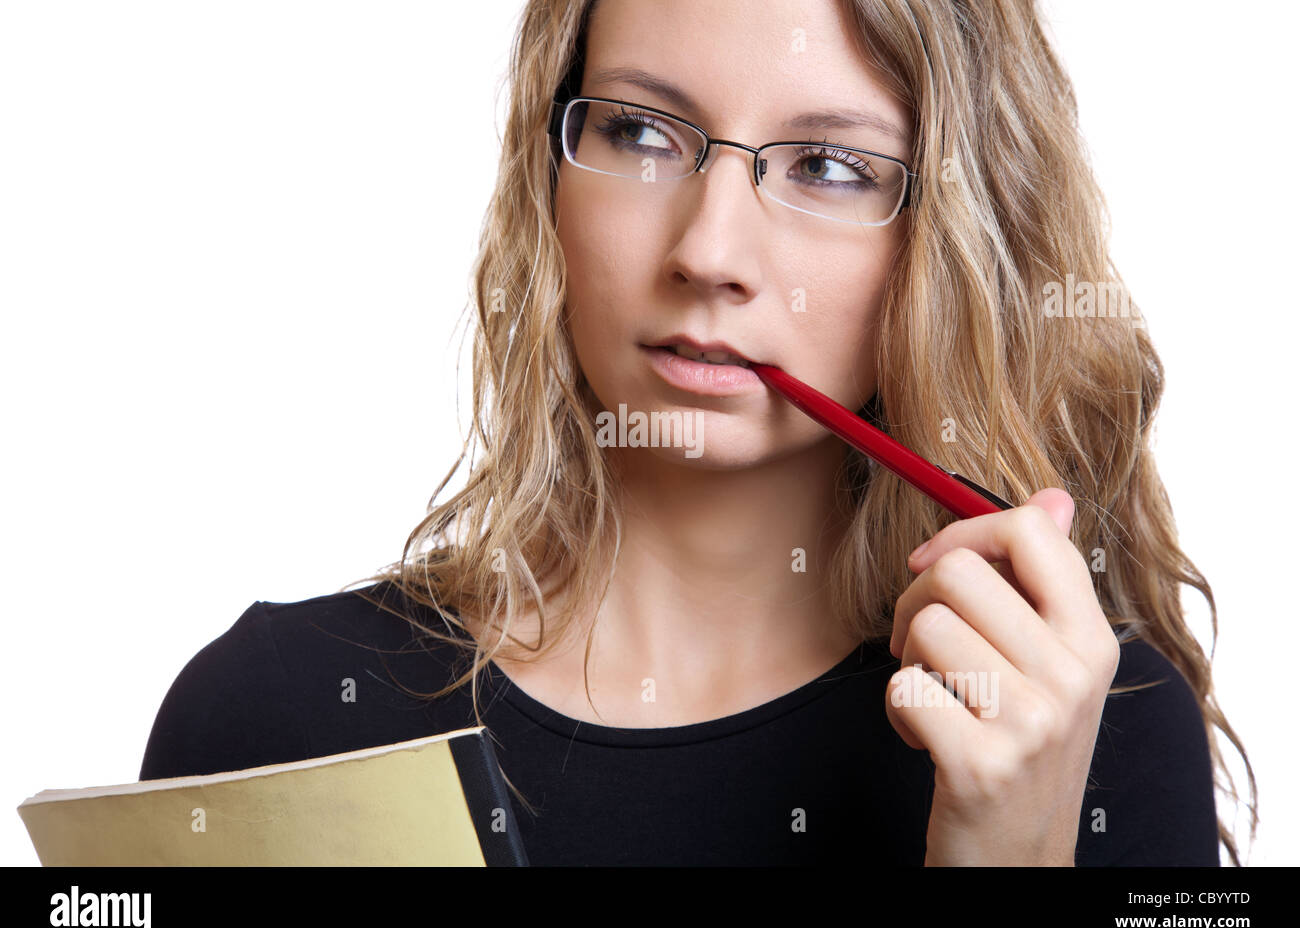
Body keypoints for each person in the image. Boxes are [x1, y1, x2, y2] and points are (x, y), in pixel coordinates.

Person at [140, 0, 1256, 866]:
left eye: (827, 165)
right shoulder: (270, 717)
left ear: (952, 237)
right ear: (548, 178)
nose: (708, 249)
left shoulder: (1083, 739)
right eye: (639, 131)